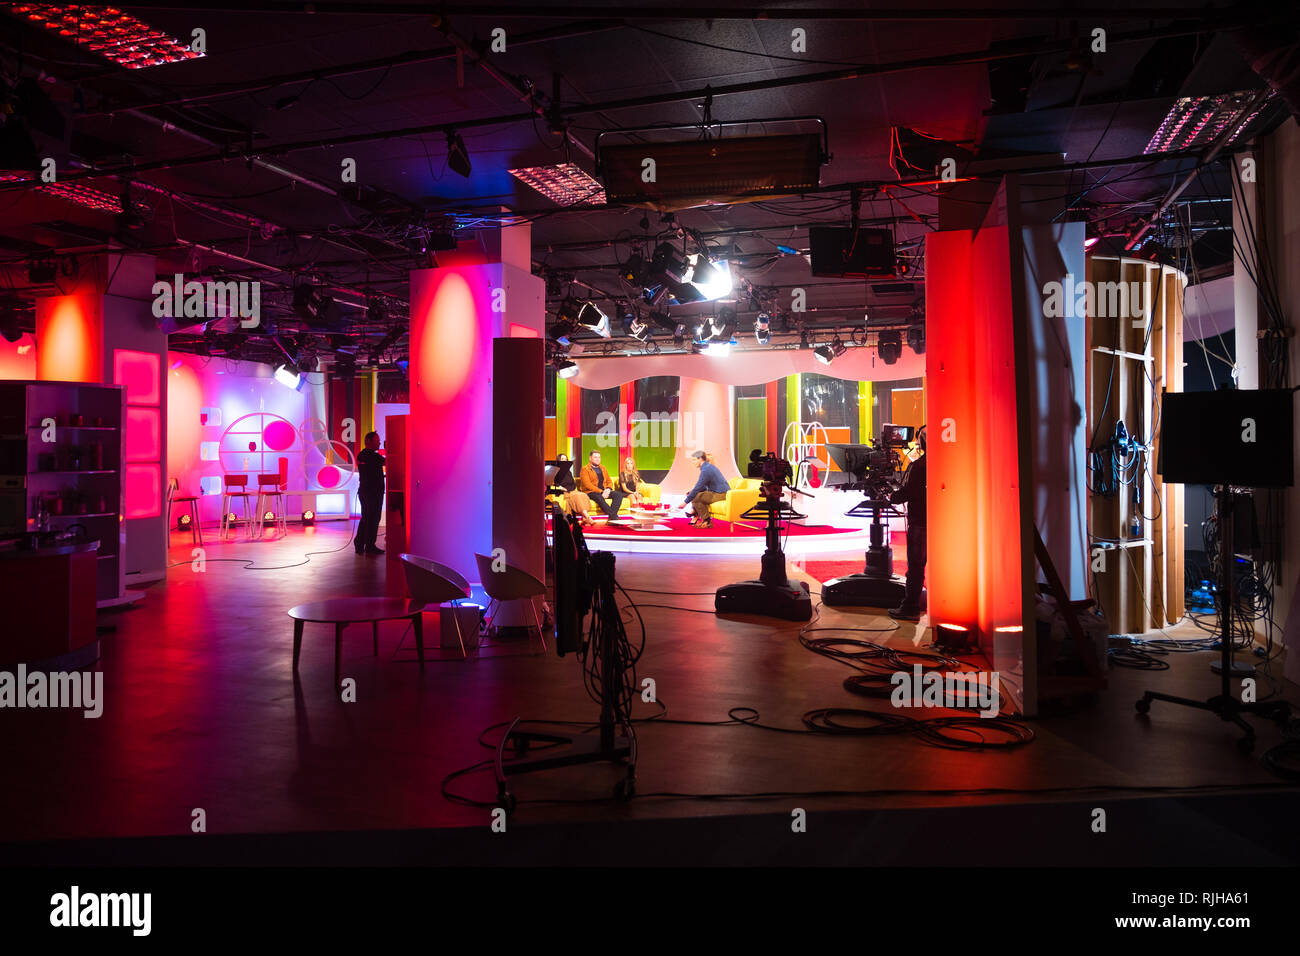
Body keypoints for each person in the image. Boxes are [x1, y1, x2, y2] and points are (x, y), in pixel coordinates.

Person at [888, 425, 926, 620]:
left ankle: (910, 607)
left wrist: (891, 496)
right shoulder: (945, 463)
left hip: (920, 523)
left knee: (916, 567)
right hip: (939, 521)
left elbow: (908, 493)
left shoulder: (918, 466)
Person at [355, 430, 386, 555]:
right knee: (373, 518)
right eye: (377, 441)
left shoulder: (362, 455)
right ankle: (369, 545)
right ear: (369, 441)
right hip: (373, 493)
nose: (379, 443)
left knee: (366, 518)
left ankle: (360, 544)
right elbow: (386, 462)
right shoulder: (373, 456)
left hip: (365, 492)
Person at [683, 450, 730, 528]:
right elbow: (703, 486)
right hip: (718, 492)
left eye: (694, 460)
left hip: (722, 494)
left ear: (700, 459)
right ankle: (705, 520)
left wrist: (684, 503)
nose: (693, 462)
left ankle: (706, 521)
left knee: (695, 496)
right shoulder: (707, 467)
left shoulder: (706, 469)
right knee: (696, 495)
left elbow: (698, 486)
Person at [578, 450, 624, 519]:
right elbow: (588, 485)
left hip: (604, 491)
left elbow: (609, 481)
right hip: (590, 492)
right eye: (595, 457)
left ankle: (611, 518)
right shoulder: (585, 469)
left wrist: (608, 489)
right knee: (599, 497)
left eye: (599, 457)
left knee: (619, 494)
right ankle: (614, 517)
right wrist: (601, 492)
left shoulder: (603, 468)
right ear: (590, 458)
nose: (598, 459)